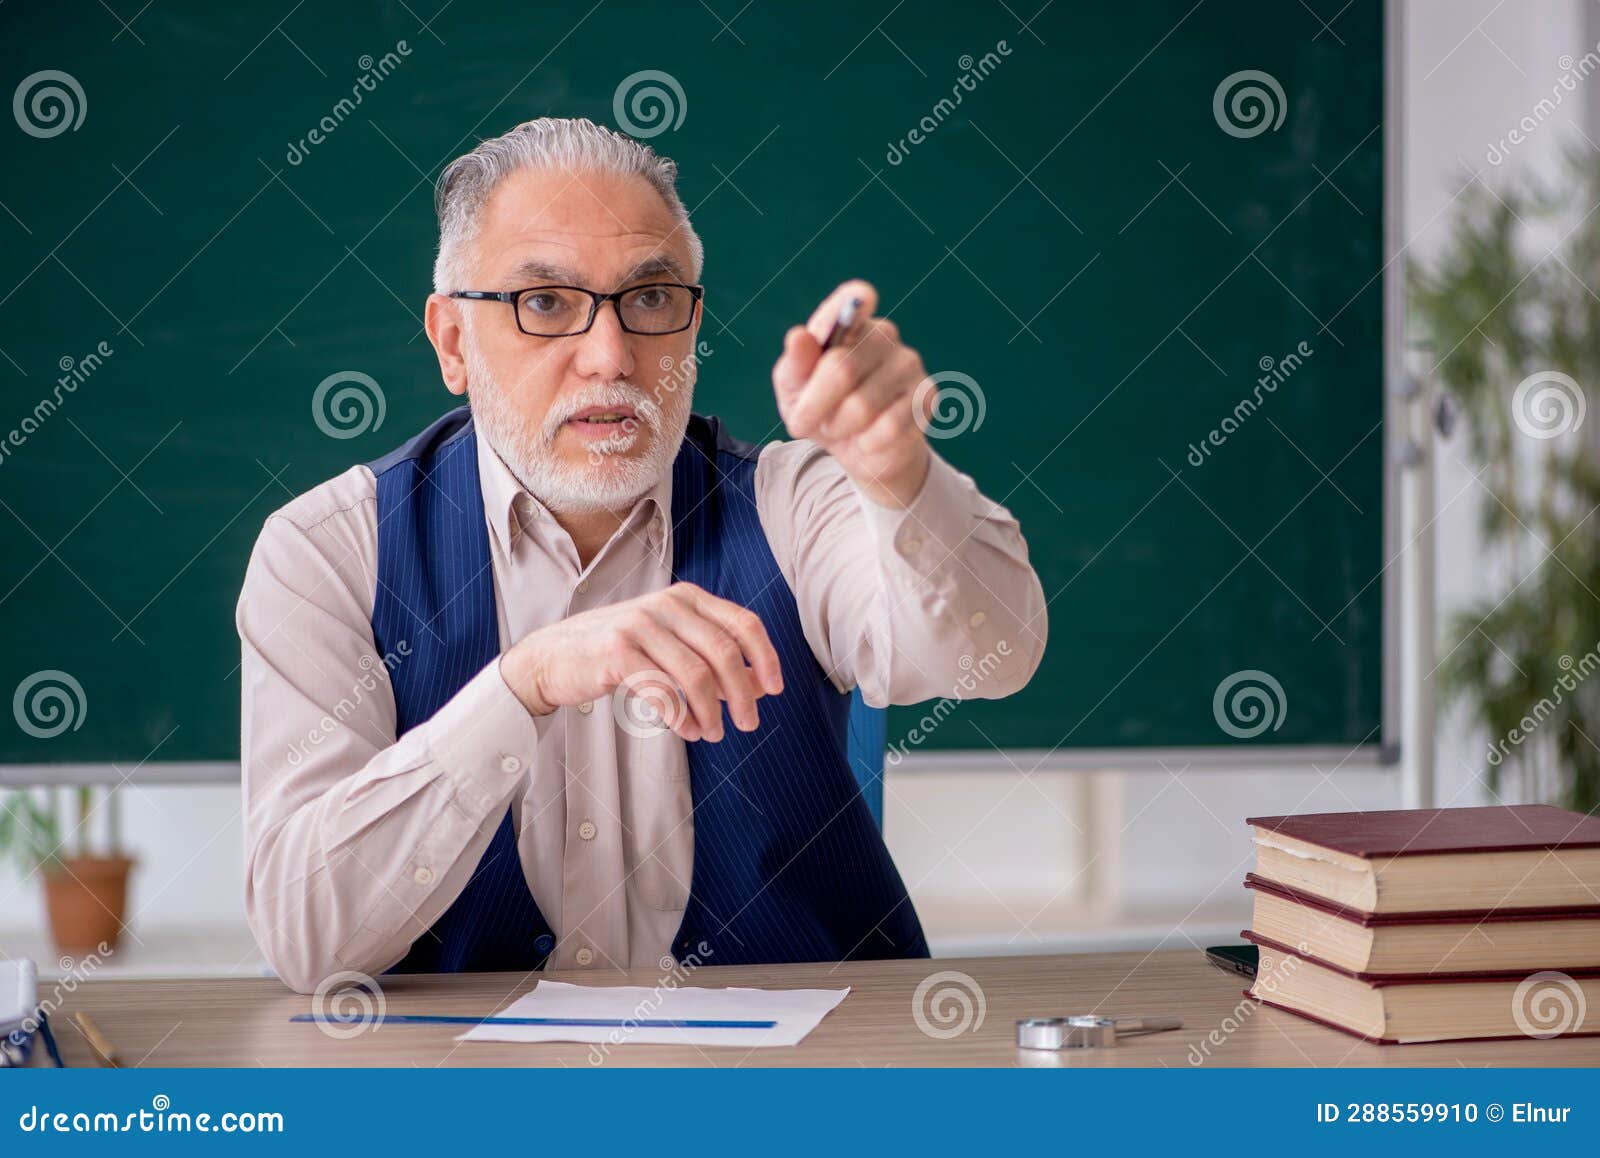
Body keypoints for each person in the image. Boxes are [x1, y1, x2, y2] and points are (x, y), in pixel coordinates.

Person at [236, 117, 1047, 994]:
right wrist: (523, 686)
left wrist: (899, 473)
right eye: (543, 303)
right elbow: (306, 935)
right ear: (451, 342)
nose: (611, 356)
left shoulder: (791, 502)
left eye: (651, 298)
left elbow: (991, 657)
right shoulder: (327, 552)